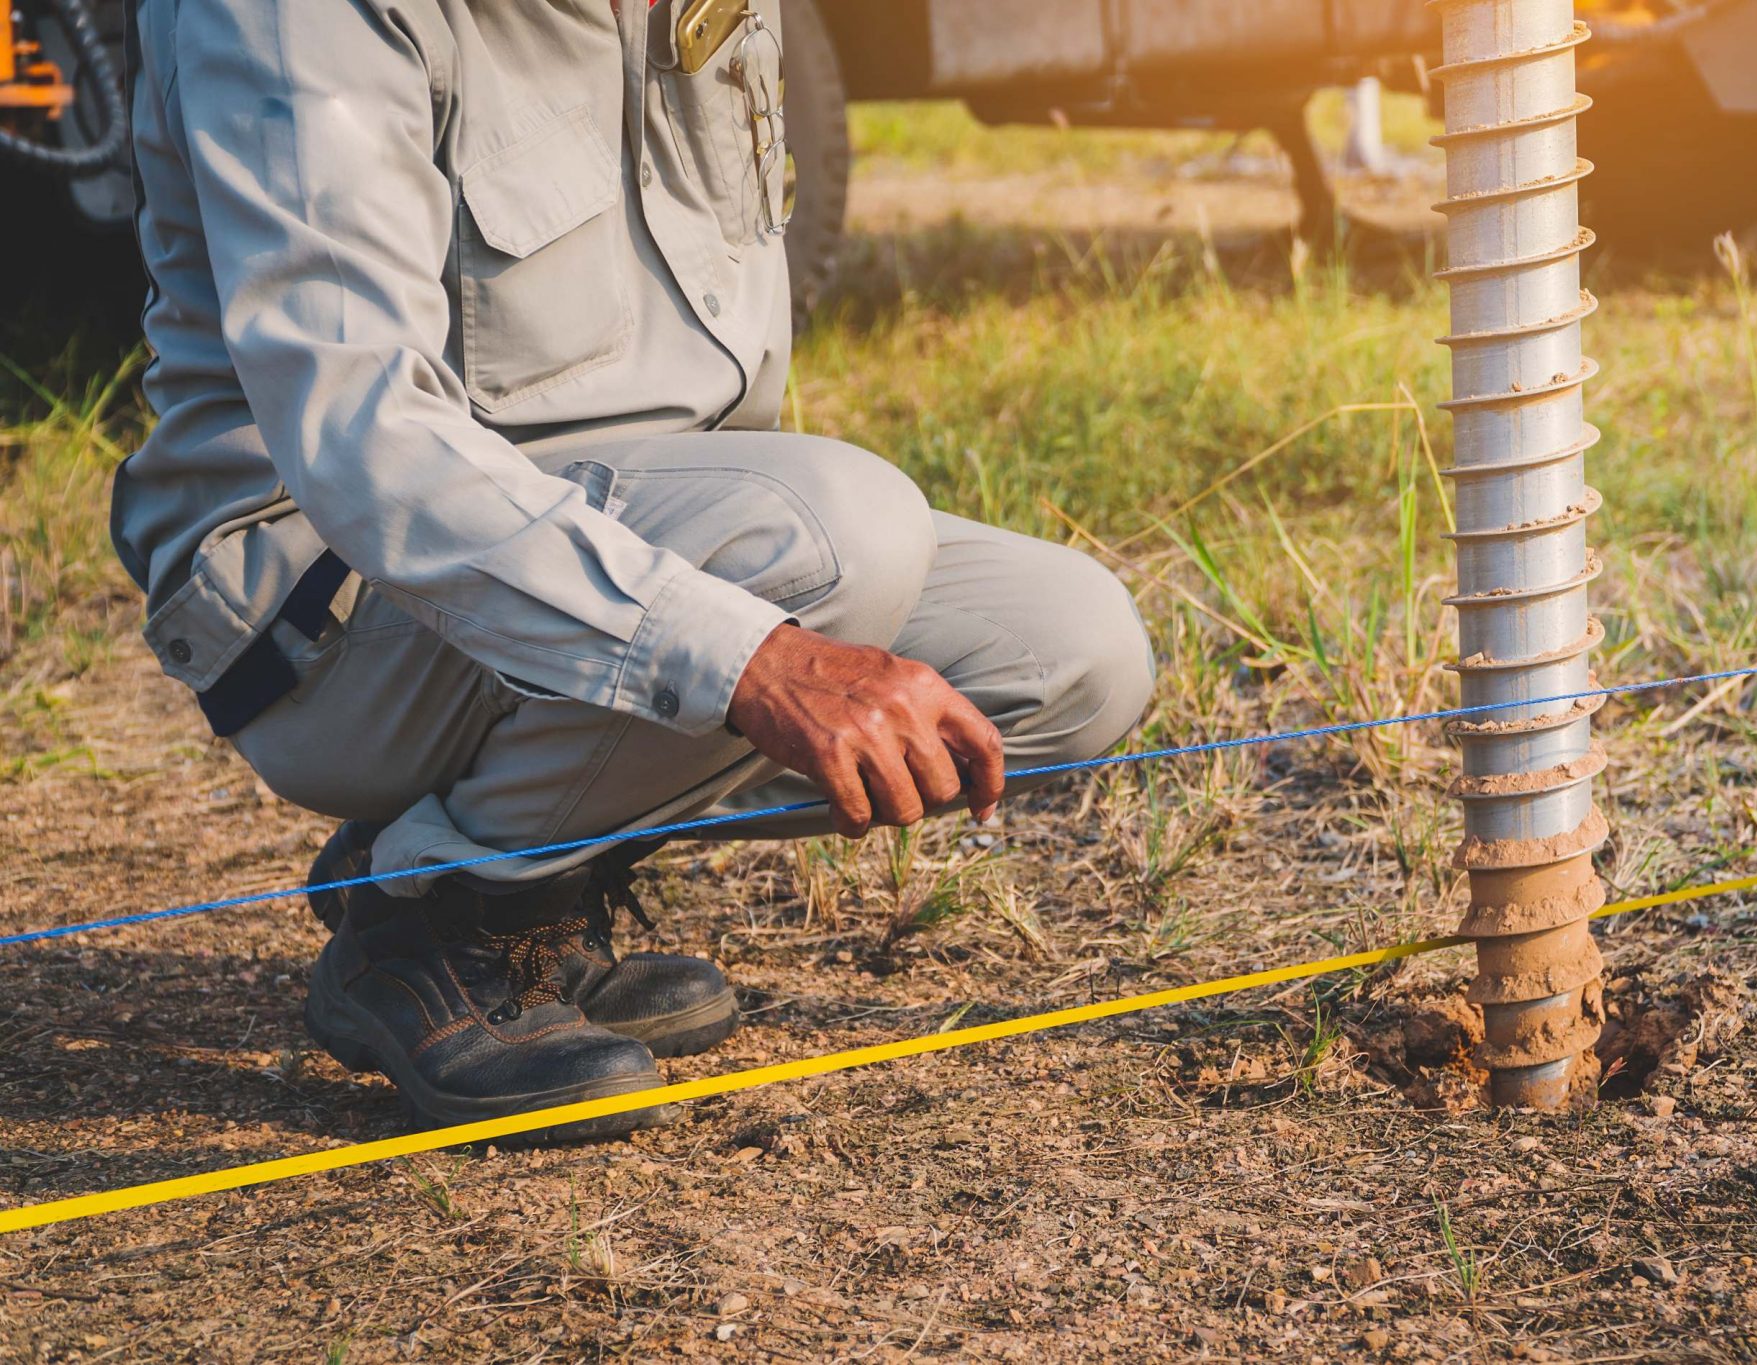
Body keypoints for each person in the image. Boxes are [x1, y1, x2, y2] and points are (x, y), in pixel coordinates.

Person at [112, 0, 1154, 1142]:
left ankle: (524, 855)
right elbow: (369, 449)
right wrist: (747, 653)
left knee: (1070, 652)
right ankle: (438, 919)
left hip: (622, 525)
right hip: (332, 600)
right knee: (834, 536)